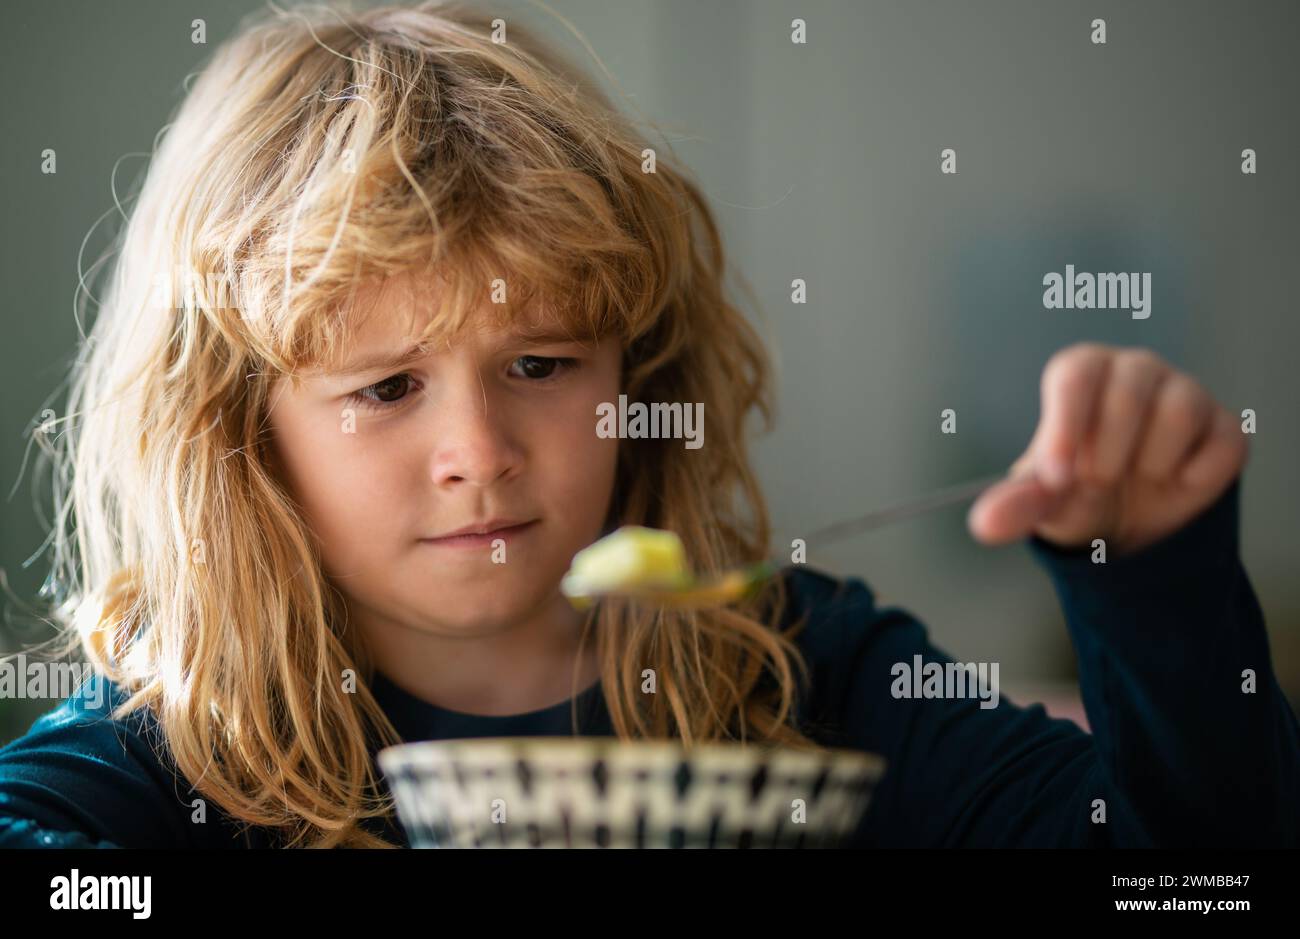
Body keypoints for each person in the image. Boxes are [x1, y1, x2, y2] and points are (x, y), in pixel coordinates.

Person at [1, 1, 1295, 849]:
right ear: (239, 428)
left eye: (545, 363)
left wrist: (1158, 583)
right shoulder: (150, 766)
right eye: (387, 388)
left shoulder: (813, 677)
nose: (482, 455)